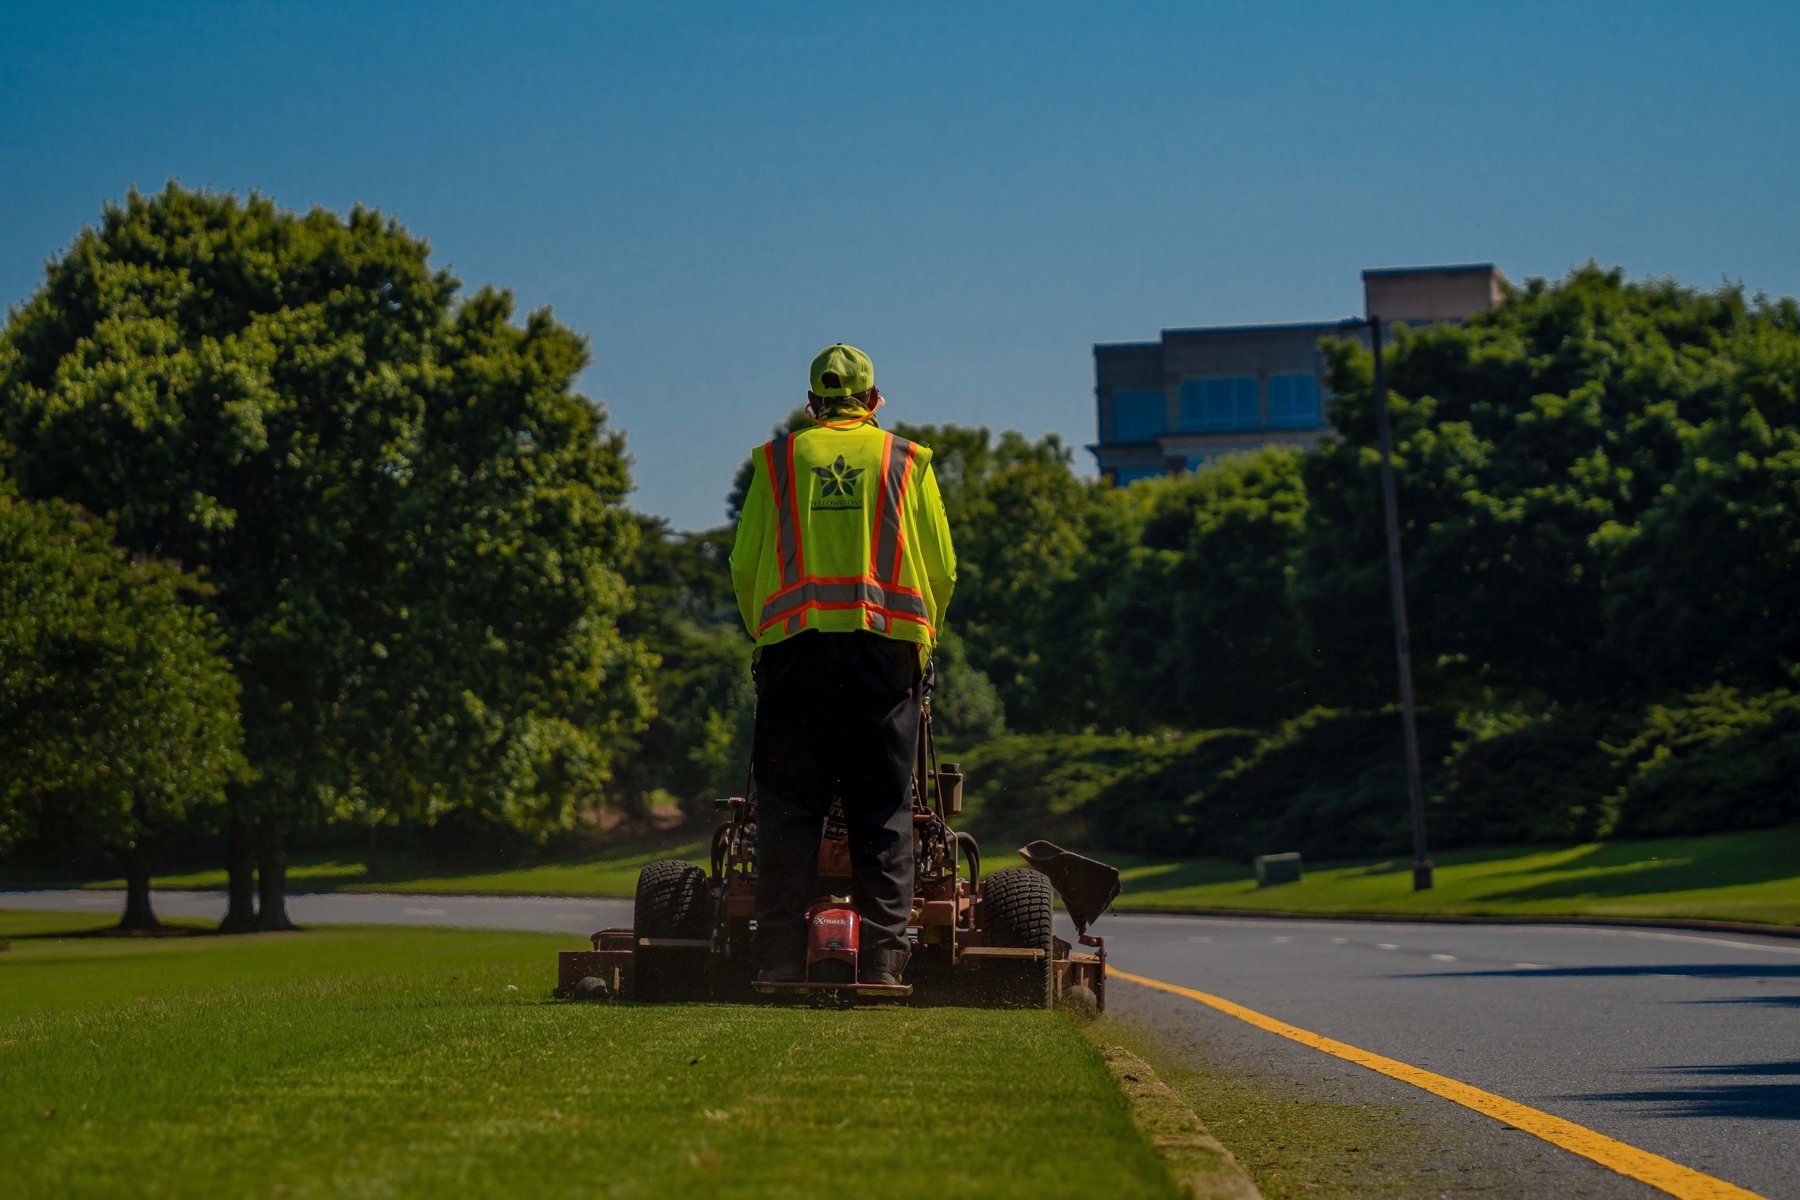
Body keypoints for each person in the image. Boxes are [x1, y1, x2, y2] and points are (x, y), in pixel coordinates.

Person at [728, 343, 957, 986]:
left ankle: (778, 959)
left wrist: (766, 635)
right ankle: (884, 960)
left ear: (812, 403)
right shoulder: (906, 460)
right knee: (882, 810)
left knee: (788, 808)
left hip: (794, 651)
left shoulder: (776, 462)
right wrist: (923, 643)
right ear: (874, 400)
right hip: (884, 654)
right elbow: (942, 568)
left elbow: (744, 566)